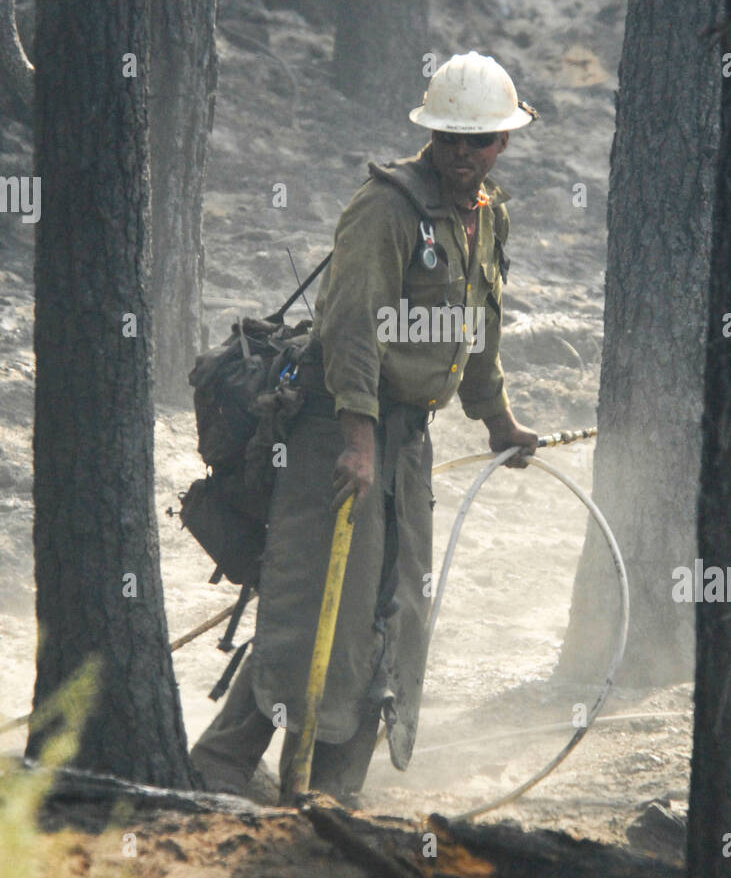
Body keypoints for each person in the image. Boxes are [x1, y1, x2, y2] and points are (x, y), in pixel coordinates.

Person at [190, 51, 538, 802]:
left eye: (477, 141)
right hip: (335, 427)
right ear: (430, 135)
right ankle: (224, 763)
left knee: (393, 607)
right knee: (319, 600)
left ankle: (331, 785)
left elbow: (479, 328)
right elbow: (350, 329)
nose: (461, 153)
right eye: (448, 138)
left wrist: (497, 420)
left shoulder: (485, 216)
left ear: (502, 143)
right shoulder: (385, 208)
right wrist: (355, 438)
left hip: (407, 434)